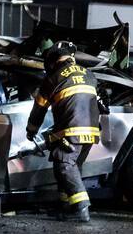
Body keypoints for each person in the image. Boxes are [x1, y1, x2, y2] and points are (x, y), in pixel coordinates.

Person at [25, 41, 102, 222]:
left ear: (52, 61)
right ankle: (65, 204)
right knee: (67, 166)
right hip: (91, 132)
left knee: (65, 165)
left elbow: (39, 109)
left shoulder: (52, 79)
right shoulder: (89, 74)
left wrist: (31, 130)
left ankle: (82, 209)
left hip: (72, 131)